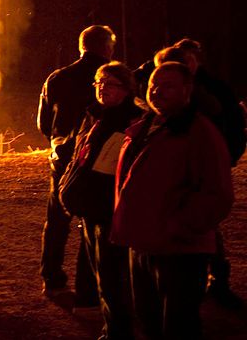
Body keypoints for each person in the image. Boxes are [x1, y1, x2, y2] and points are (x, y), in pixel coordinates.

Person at [112, 62, 234, 338]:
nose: (157, 91)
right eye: (153, 85)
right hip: (142, 244)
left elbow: (218, 195)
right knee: (149, 322)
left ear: (187, 90)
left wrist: (177, 227)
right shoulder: (145, 127)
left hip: (179, 250)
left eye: (168, 86)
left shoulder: (200, 133)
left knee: (178, 326)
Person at [62, 62, 142, 340]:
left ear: (127, 89)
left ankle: (118, 331)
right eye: (99, 82)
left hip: (110, 210)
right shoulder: (96, 116)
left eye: (110, 84)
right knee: (101, 272)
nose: (103, 88)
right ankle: (112, 327)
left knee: (112, 276)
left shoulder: (133, 122)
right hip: (90, 208)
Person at [36, 25, 114, 304]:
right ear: (107, 47)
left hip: (63, 158)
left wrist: (59, 143)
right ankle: (89, 287)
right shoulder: (110, 79)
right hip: (97, 160)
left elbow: (44, 123)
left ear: (81, 47)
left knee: (57, 219)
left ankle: (52, 278)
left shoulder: (57, 77)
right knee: (92, 222)